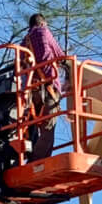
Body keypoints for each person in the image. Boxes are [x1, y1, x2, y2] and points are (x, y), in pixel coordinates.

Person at [21, 12, 67, 160]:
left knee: (33, 126)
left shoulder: (24, 42)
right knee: (48, 130)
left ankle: (30, 157)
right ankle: (37, 162)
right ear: (42, 23)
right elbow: (60, 55)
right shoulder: (43, 32)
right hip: (49, 86)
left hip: (32, 90)